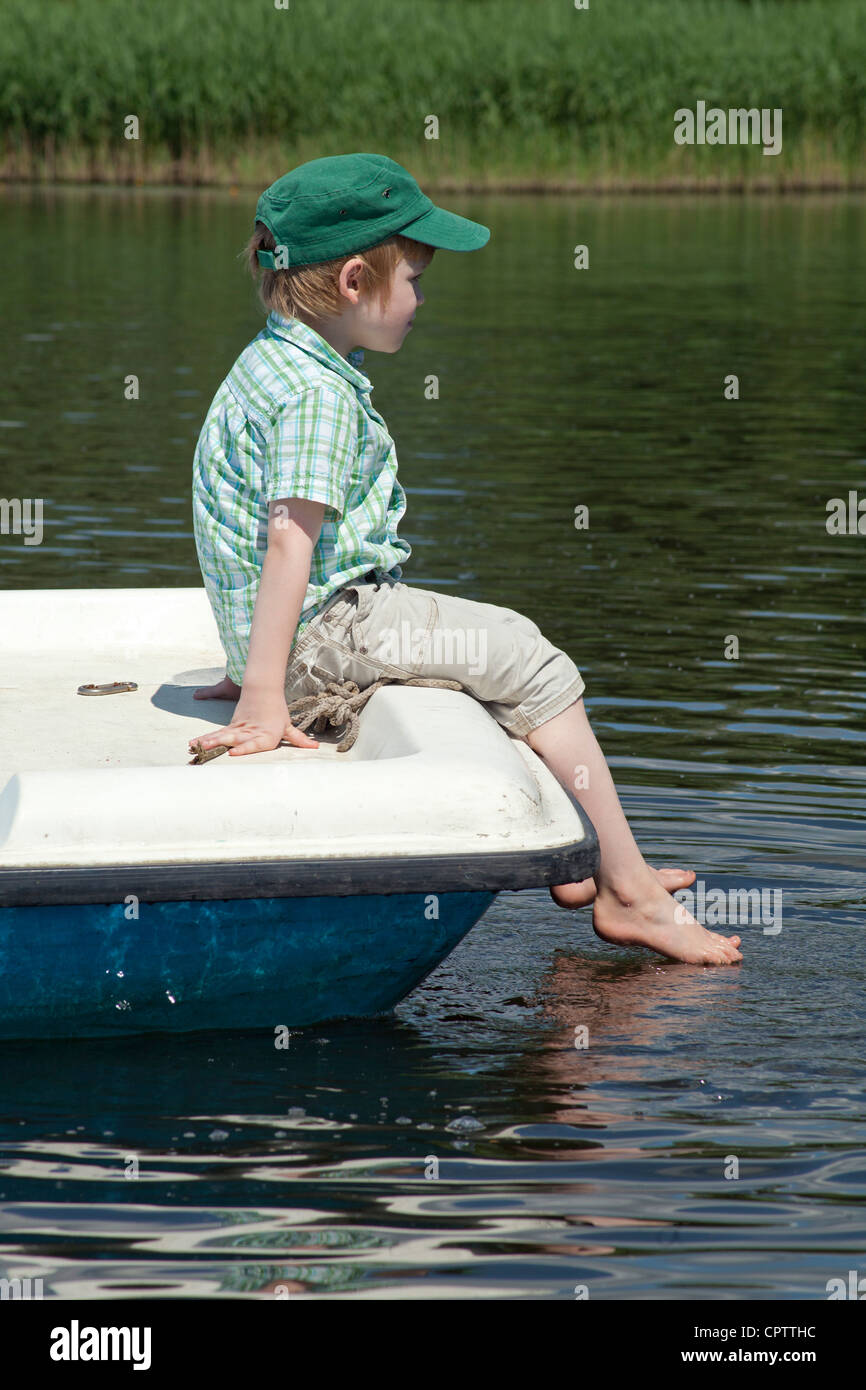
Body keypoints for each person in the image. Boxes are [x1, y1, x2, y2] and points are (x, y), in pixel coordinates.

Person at [190, 153, 742, 968]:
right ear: (352, 282)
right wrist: (267, 694)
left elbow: (239, 523)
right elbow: (287, 538)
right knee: (531, 656)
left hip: (303, 638)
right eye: (413, 278)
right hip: (328, 638)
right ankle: (629, 890)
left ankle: (579, 851)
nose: (422, 299)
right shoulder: (317, 396)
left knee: (483, 659)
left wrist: (249, 658)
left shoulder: (268, 363)